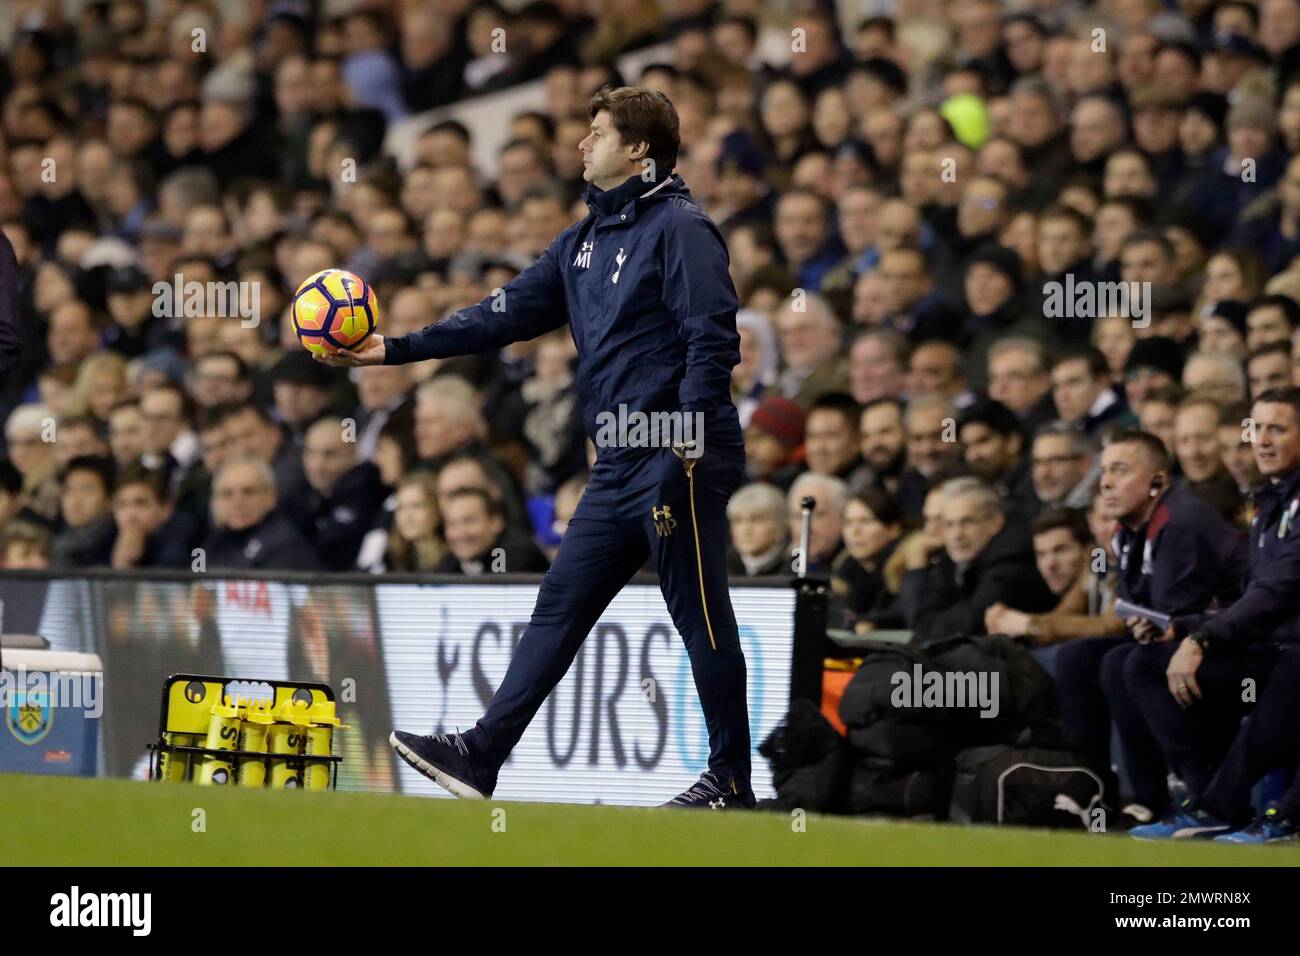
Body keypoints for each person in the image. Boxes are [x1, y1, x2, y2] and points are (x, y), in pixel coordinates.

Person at [316, 87, 757, 808]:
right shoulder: (583, 239)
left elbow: (714, 335)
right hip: (617, 463)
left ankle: (731, 781)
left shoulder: (681, 227)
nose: (583, 144)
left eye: (598, 132)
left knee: (699, 610)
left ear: (639, 150)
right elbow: (502, 315)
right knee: (560, 605)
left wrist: (689, 435)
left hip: (676, 451)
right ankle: (482, 756)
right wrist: (392, 349)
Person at [1127, 388, 1300, 839]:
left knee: (1294, 669)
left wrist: (1203, 640)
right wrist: (1181, 628)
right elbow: (1250, 597)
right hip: (1269, 648)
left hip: (1291, 655)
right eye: (1255, 429)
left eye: (1276, 429)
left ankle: (1247, 808)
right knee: (1141, 664)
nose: (1261, 440)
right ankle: (1201, 798)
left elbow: (1279, 590)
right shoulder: (1267, 505)